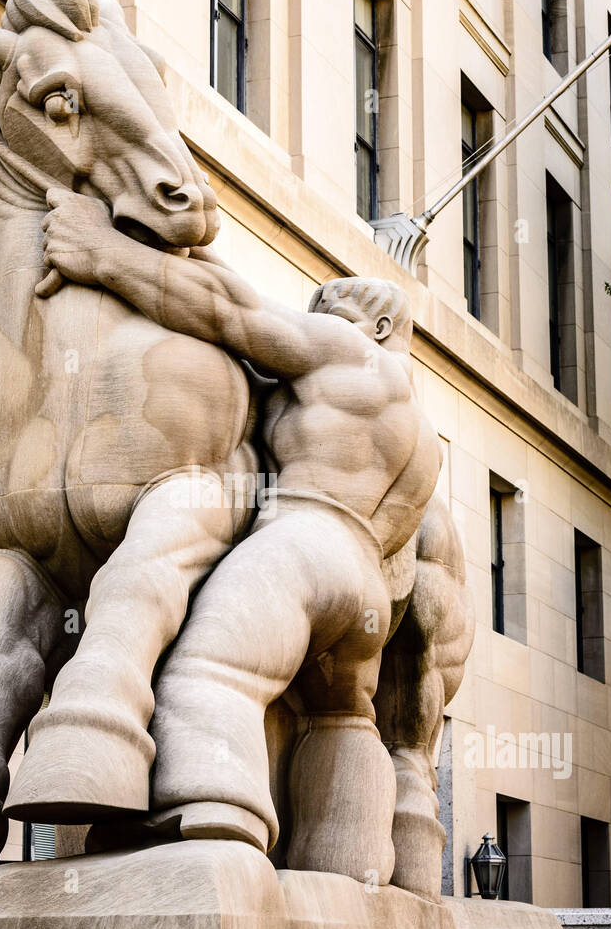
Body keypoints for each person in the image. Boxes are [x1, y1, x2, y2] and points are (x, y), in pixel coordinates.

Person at [37, 190, 442, 883]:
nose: (319, 308)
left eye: (337, 299)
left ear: (378, 324)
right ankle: (346, 869)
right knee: (343, 716)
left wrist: (103, 255)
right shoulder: (420, 432)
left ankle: (213, 805)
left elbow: (235, 315)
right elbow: (240, 305)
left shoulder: (346, 352)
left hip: (299, 545)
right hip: (363, 586)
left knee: (211, 669)